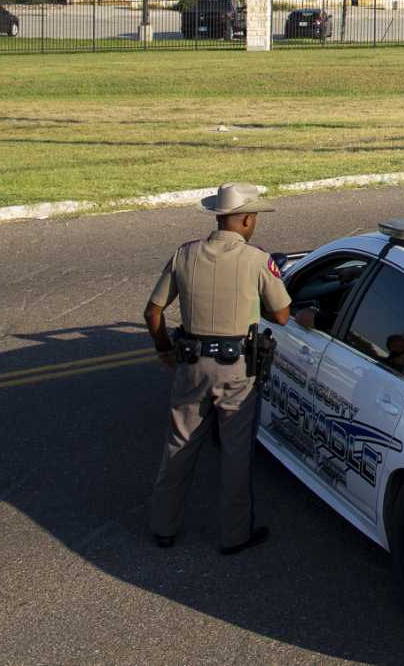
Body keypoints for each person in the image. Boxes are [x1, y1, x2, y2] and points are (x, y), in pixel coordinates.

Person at [143, 181, 292, 555]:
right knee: (235, 454)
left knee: (179, 446)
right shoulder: (258, 260)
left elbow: (153, 311)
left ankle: (163, 528)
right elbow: (282, 315)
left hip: (191, 364)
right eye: (253, 217)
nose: (254, 223)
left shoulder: (185, 254)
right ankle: (234, 535)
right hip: (237, 371)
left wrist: (164, 350)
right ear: (243, 220)